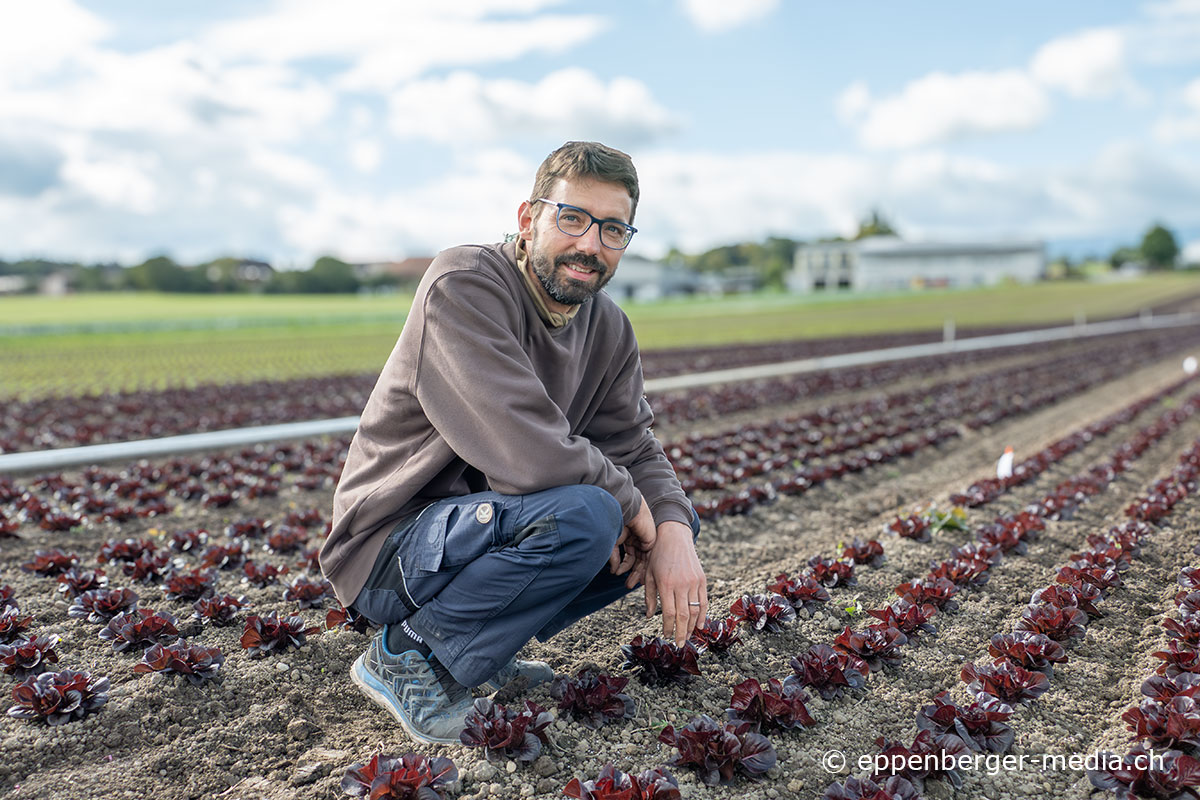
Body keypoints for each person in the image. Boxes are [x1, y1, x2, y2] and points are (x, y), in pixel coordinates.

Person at [321, 141, 707, 744]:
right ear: (529, 219)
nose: (590, 244)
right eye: (572, 218)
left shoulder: (607, 326)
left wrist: (675, 530)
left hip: (486, 526)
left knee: (653, 517)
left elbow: (633, 445)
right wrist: (635, 510)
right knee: (592, 513)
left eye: (612, 229)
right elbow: (528, 450)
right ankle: (403, 654)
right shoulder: (465, 284)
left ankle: (479, 653)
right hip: (391, 546)